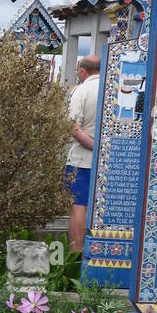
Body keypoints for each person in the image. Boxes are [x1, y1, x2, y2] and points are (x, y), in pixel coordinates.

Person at [65, 53, 102, 253]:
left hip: (81, 160)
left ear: (82, 71)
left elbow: (73, 128)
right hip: (109, 162)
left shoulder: (81, 91)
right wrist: (103, 150)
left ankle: (75, 256)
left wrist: (95, 148)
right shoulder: (111, 89)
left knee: (79, 207)